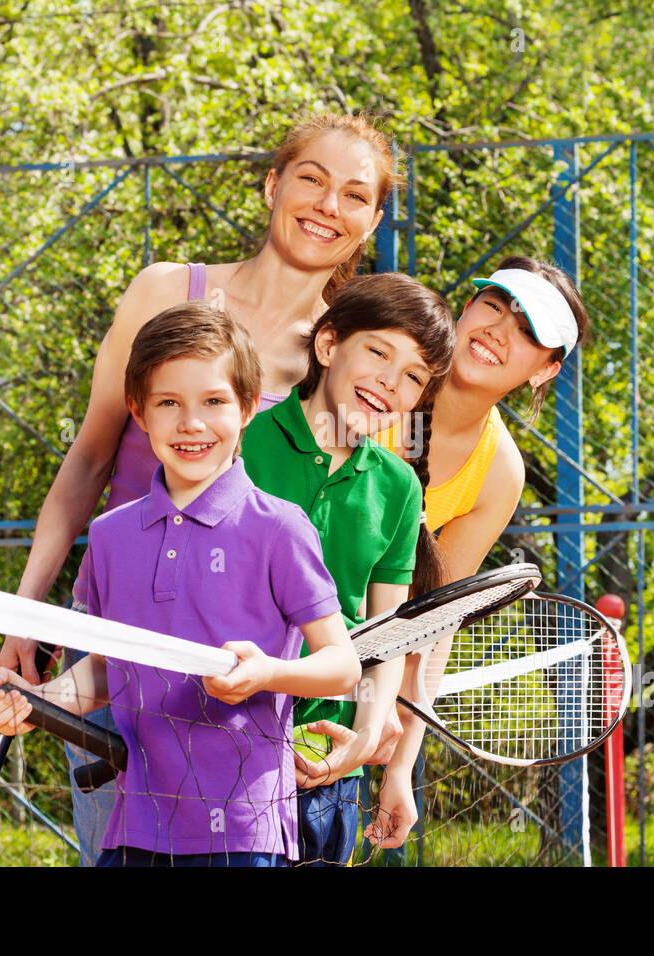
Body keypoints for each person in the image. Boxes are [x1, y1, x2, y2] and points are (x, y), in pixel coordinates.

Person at [0, 112, 401, 864]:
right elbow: (86, 462)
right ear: (273, 183)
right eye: (310, 178)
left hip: (244, 713)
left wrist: (371, 714)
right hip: (121, 670)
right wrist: (27, 615)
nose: (326, 205)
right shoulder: (163, 291)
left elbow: (371, 537)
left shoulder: (342, 356)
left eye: (354, 194)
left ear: (372, 220)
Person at [0, 303, 360, 866]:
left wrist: (267, 674)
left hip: (243, 833)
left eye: (214, 402)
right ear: (138, 412)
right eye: (168, 404)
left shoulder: (279, 528)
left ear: (248, 408)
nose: (192, 424)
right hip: (135, 827)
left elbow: (342, 667)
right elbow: (112, 667)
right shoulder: (109, 536)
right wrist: (40, 701)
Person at [364, 255, 591, 849]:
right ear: (466, 309)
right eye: (493, 307)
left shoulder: (499, 473)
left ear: (546, 370)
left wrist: (400, 765)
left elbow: (433, 622)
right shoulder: (379, 382)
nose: (496, 331)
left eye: (527, 332)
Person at [239, 271, 455, 865]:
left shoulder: (399, 486)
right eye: (378, 352)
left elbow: (387, 635)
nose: (390, 381)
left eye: (413, 376)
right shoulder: (240, 440)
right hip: (223, 747)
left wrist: (364, 735)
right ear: (329, 345)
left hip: (324, 769)